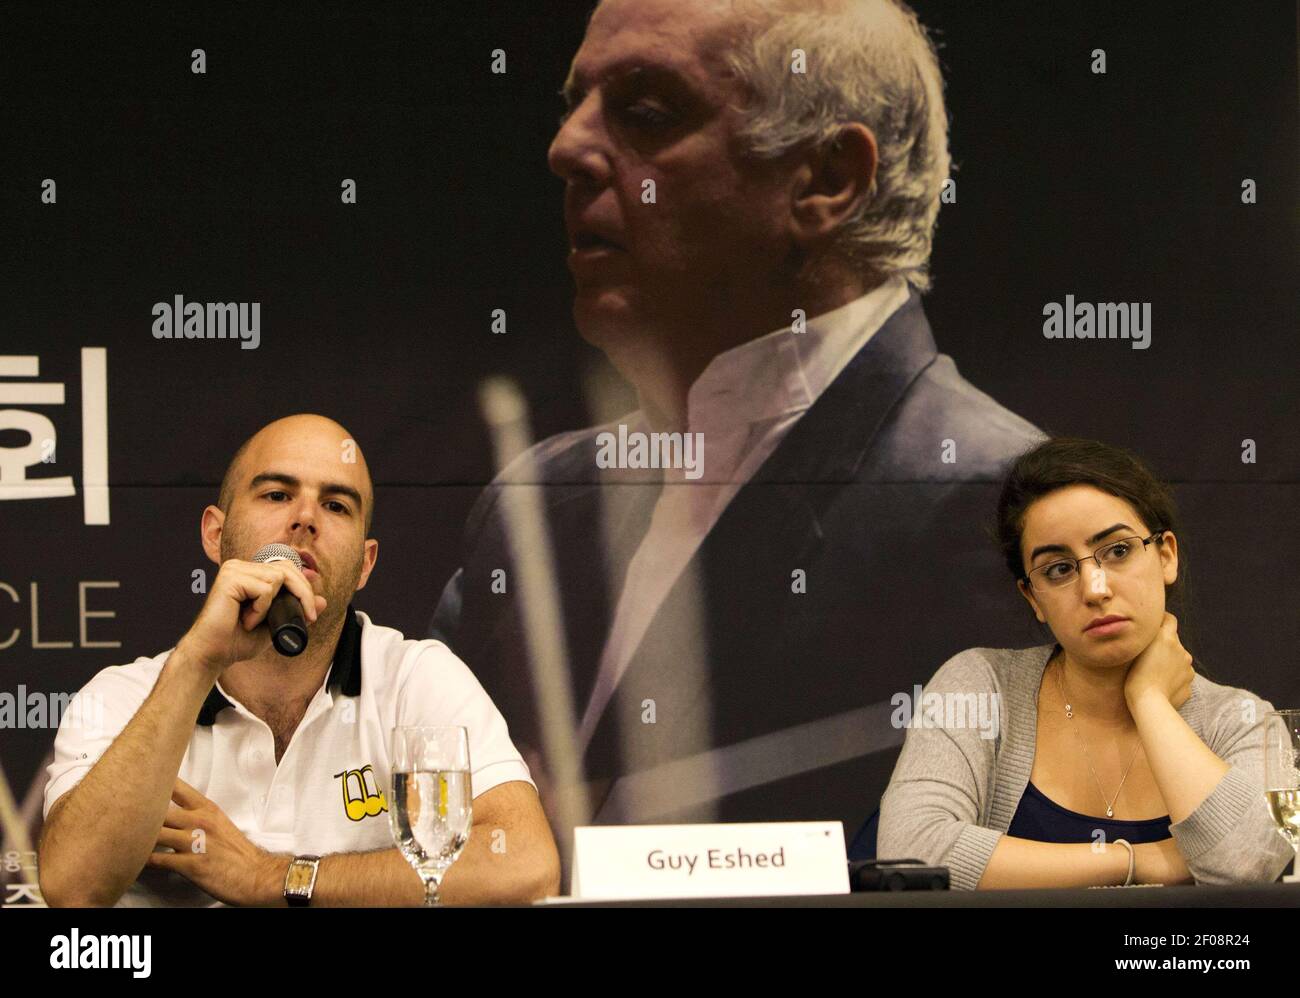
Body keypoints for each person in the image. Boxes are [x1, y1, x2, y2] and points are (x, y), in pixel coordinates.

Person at [432, 0, 1044, 860]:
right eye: (575, 101)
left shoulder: (1012, 520)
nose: (565, 147)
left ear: (826, 180)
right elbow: (401, 817)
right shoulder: (532, 503)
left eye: (646, 113)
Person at [37, 414, 559, 906]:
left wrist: (272, 876)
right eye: (277, 494)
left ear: (364, 564)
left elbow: (525, 862)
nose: (305, 518)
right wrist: (197, 662)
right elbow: (73, 887)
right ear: (215, 535)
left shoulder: (417, 679)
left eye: (336, 505)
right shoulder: (123, 696)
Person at [877, 437, 1294, 888]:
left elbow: (1252, 863)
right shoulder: (981, 686)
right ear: (1033, 597)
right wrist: (1139, 861)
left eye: (1117, 551)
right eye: (1058, 569)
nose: (1094, 589)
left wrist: (1148, 699)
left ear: (1166, 555)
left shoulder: (1241, 720)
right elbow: (912, 854)